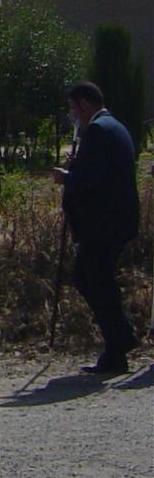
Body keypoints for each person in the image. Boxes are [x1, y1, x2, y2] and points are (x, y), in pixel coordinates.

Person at [52, 81, 140, 375]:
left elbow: (90, 180)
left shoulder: (99, 130)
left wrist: (66, 177)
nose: (73, 114)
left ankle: (121, 338)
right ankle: (117, 346)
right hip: (116, 220)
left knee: (91, 278)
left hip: (104, 222)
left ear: (84, 104)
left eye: (74, 108)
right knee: (95, 279)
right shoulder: (115, 126)